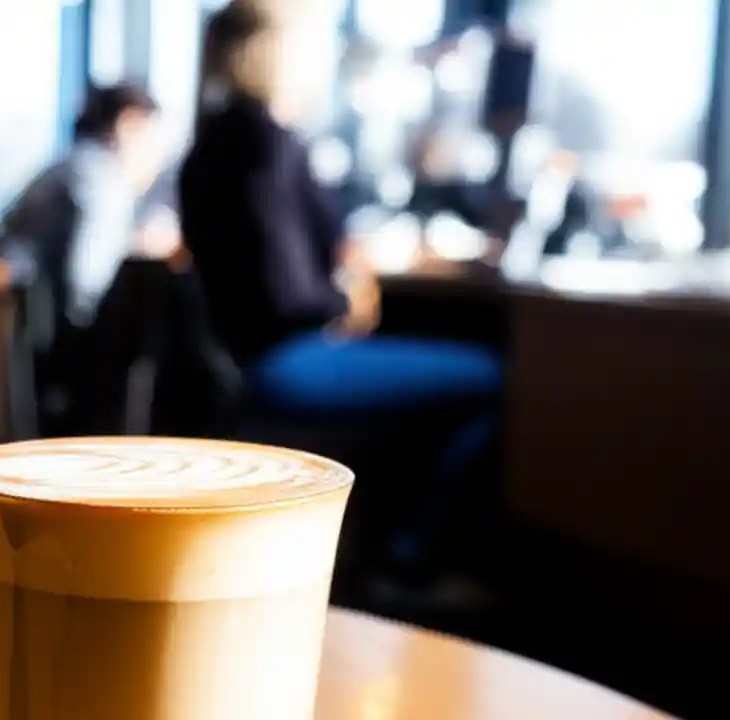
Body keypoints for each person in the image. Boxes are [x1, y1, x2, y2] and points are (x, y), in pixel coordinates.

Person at [179, 0, 502, 582]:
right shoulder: (264, 144)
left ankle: (386, 551)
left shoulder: (214, 141)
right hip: (287, 358)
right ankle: (412, 563)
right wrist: (346, 301)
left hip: (245, 357)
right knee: (491, 376)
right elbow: (286, 294)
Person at [0, 83, 180, 431]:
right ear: (129, 124)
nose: (159, 157)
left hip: (7, 341)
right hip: (38, 358)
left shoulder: (73, 164)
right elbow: (87, 289)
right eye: (155, 139)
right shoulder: (102, 180)